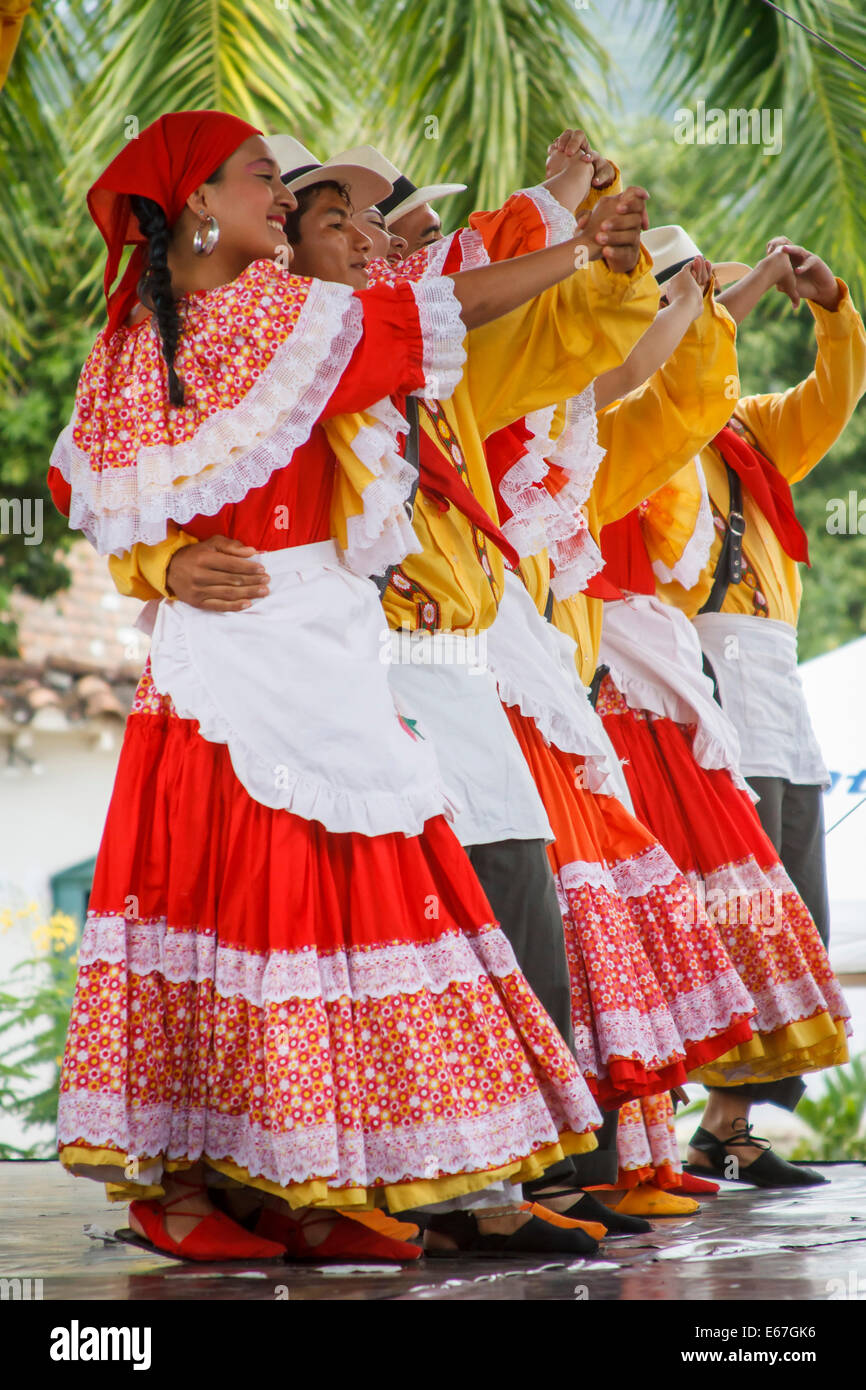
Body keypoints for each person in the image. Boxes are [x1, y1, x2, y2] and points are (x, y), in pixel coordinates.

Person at [49, 110, 654, 1263]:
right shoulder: (134, 347)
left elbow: (451, 304)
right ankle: (185, 1188)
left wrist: (577, 246)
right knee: (228, 910)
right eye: (266, 179)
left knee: (349, 904)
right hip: (222, 664)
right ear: (195, 203)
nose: (280, 198)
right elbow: (101, 500)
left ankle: (311, 1181)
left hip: (328, 639)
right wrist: (162, 563)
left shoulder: (295, 313)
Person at [593, 227, 857, 1186]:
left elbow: (831, 400)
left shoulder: (742, 427)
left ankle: (728, 1126)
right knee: (713, 905)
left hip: (774, 672)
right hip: (696, 667)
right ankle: (671, 1128)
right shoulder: (643, 418)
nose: (708, 310)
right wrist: (727, 296)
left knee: (787, 900)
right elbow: (666, 397)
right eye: (691, 294)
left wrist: (832, 310)